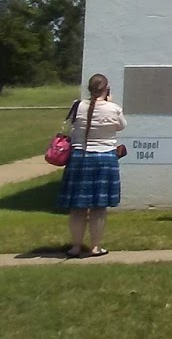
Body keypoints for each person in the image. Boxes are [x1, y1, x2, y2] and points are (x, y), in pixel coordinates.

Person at [57, 72, 127, 258]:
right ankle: (96, 247)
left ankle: (76, 247)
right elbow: (121, 126)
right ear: (106, 89)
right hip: (105, 158)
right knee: (99, 206)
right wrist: (109, 102)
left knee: (77, 207)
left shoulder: (77, 106)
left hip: (80, 157)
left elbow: (72, 124)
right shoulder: (113, 109)